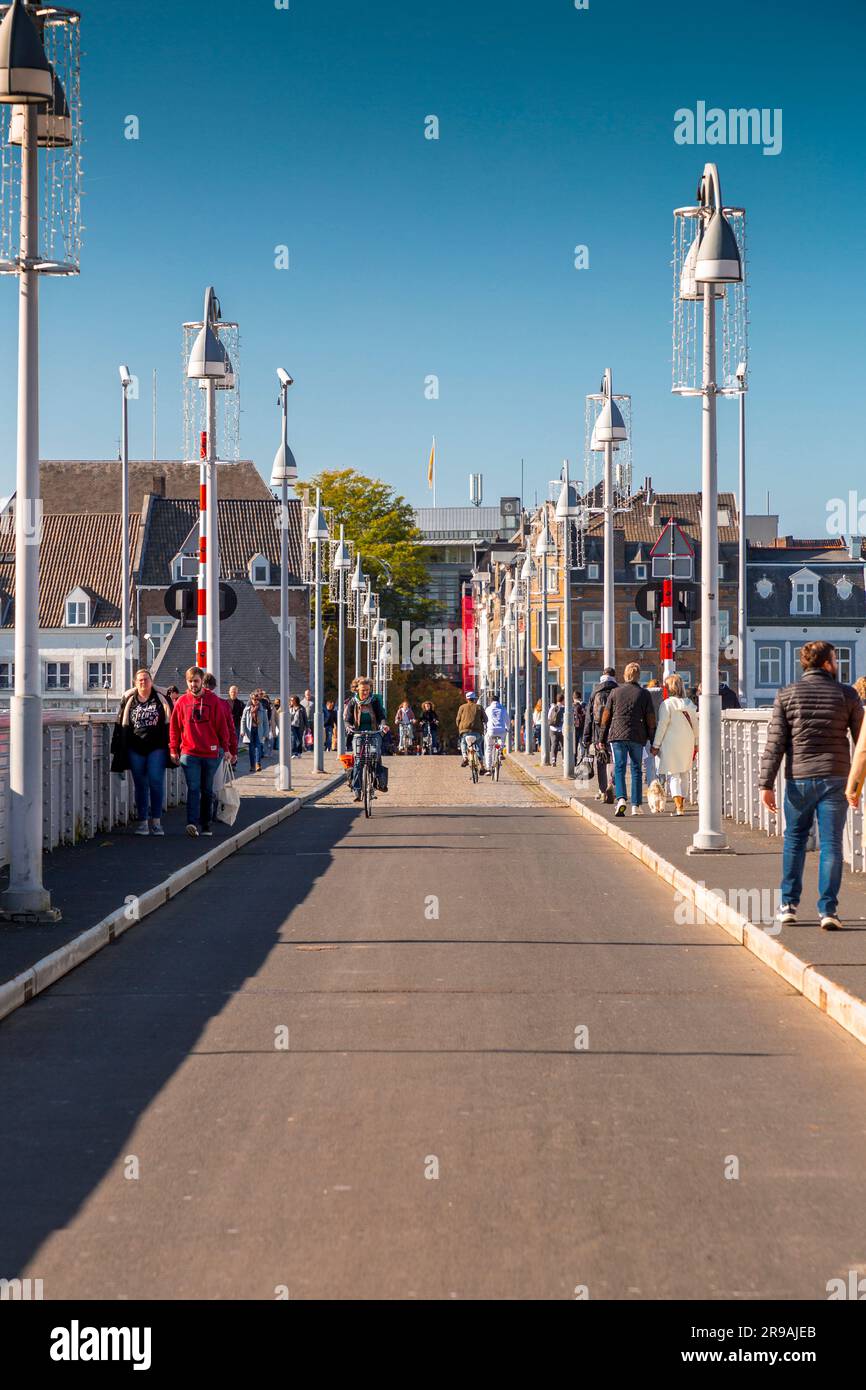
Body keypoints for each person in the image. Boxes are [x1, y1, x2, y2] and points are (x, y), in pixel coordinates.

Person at [760, 640, 862, 931]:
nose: (837, 665)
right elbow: (862, 741)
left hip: (799, 778)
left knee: (794, 840)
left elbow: (775, 743)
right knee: (831, 843)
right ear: (827, 664)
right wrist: (856, 784)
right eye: (835, 660)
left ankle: (788, 905)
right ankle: (828, 910)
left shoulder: (787, 694)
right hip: (836, 777)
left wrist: (765, 784)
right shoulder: (847, 695)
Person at [169, 666, 236, 837]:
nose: (193, 684)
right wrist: (174, 750)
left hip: (210, 753)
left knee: (206, 789)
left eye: (196, 681)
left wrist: (227, 749)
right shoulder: (182, 702)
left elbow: (222, 727)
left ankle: (205, 824)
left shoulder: (213, 700)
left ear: (201, 681)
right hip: (189, 753)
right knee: (193, 787)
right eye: (190, 681)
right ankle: (192, 823)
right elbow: (175, 728)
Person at [111, 668, 172, 836]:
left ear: (151, 681)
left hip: (157, 747)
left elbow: (171, 719)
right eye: (140, 680)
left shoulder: (160, 698)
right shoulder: (130, 700)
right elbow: (121, 722)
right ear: (135, 683)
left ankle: (157, 822)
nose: (143, 682)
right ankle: (143, 822)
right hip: (135, 747)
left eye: (146, 679)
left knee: (155, 781)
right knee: (140, 784)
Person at [600, 661, 656, 817]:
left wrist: (601, 738)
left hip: (617, 735)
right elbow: (651, 719)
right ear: (638, 676)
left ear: (625, 675)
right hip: (637, 736)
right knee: (636, 769)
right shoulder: (644, 694)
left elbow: (606, 717)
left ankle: (621, 799)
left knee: (619, 767)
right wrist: (653, 740)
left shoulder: (615, 692)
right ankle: (636, 805)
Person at [651, 673, 698, 815]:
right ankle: (681, 804)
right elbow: (696, 725)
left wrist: (656, 745)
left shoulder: (666, 705)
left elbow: (662, 726)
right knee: (684, 773)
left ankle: (678, 807)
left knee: (674, 774)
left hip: (671, 742)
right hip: (687, 741)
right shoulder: (690, 704)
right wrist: (696, 742)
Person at [343, 676, 389, 801]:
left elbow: (381, 716)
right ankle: (357, 790)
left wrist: (383, 725)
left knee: (376, 755)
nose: (365, 693)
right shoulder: (353, 702)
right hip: (358, 733)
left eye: (367, 690)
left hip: (374, 732)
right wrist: (349, 727)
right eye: (363, 690)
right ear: (357, 689)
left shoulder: (374, 701)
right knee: (358, 760)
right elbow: (347, 719)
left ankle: (379, 782)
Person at [582, 669, 617, 803]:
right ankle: (612, 785)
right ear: (614, 676)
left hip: (598, 731)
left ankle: (602, 791)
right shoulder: (617, 690)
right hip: (614, 731)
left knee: (601, 761)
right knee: (614, 760)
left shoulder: (595, 691)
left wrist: (586, 737)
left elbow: (589, 717)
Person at [456, 691, 487, 768]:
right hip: (477, 731)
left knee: (463, 743)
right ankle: (482, 766)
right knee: (478, 746)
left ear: (467, 699)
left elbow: (458, 720)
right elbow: (486, 719)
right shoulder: (479, 707)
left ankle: (465, 757)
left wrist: (460, 728)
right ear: (474, 699)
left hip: (464, 731)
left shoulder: (462, 707)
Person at [241, 690, 269, 772]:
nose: (255, 701)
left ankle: (258, 764)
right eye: (253, 699)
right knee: (251, 748)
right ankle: (252, 765)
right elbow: (243, 720)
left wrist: (266, 733)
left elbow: (265, 722)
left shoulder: (262, 709)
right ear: (251, 699)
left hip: (259, 730)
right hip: (250, 730)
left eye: (257, 699)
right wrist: (243, 731)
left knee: (258, 747)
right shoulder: (247, 709)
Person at [483, 695, 509, 771]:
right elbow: (507, 720)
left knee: (489, 748)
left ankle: (488, 768)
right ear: (498, 701)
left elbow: (484, 720)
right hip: (501, 730)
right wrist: (508, 728)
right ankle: (500, 751)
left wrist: (485, 728)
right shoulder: (503, 709)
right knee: (502, 739)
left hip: (491, 730)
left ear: (491, 701)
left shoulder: (488, 709)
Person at [548, 693, 565, 766]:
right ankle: (564, 760)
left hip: (552, 729)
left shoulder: (552, 707)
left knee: (554, 745)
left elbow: (548, 717)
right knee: (563, 745)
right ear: (563, 700)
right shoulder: (564, 708)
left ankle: (553, 760)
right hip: (561, 730)